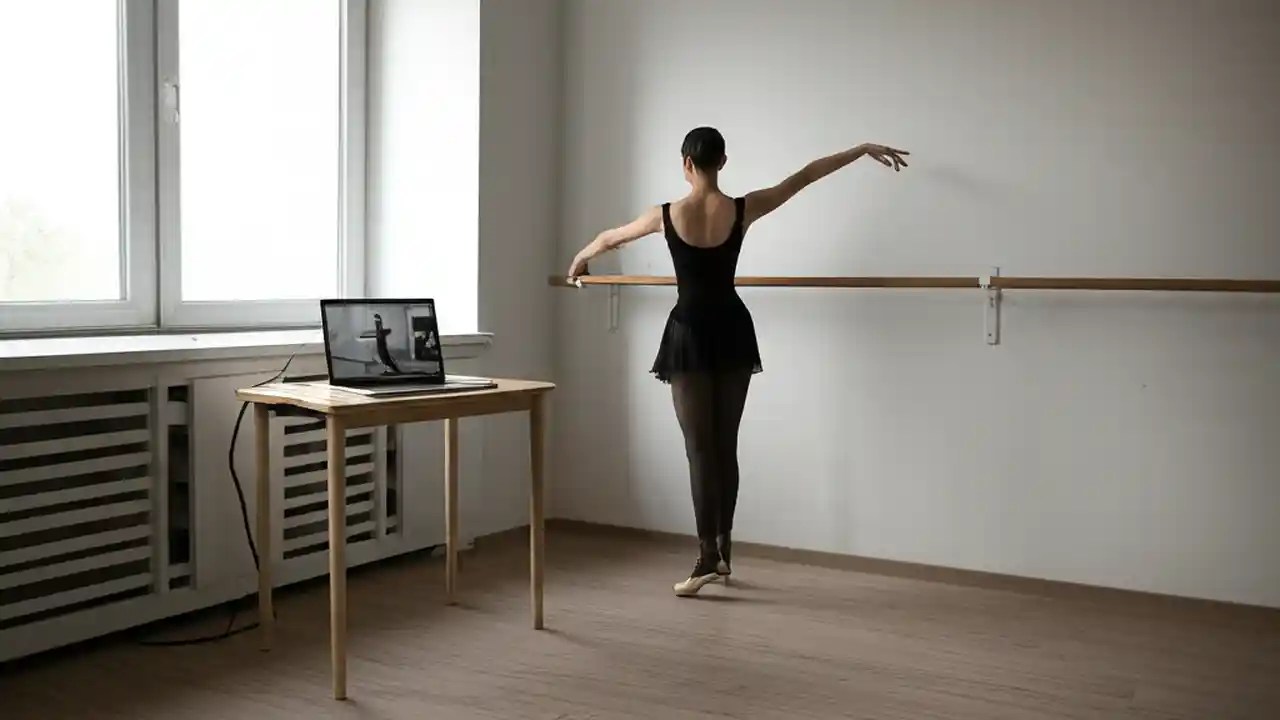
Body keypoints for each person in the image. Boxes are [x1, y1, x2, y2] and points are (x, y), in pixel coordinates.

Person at [567, 127, 909, 597]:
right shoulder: (743, 209)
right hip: (731, 327)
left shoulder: (666, 214)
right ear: (722, 162)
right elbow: (805, 177)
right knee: (725, 445)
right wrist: (861, 148)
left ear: (686, 164)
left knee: (699, 450)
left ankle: (707, 557)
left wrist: (579, 260)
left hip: (688, 332)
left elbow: (612, 238)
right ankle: (722, 552)